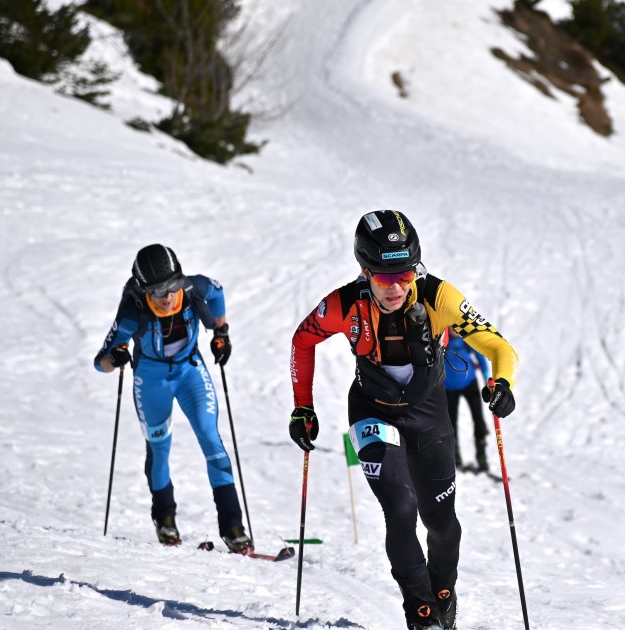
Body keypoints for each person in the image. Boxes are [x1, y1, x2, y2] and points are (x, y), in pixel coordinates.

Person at [288, 210, 518, 629]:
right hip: (371, 410)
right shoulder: (343, 303)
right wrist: (303, 405)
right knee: (400, 507)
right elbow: (303, 339)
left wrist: (502, 383)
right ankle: (421, 611)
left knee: (442, 524)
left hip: (428, 416)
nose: (395, 287)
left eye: (404, 275)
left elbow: (500, 347)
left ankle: (442, 592)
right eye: (383, 277)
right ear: (364, 271)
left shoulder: (439, 296)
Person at [93, 244, 252, 554]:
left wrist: (221, 333)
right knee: (160, 447)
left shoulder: (194, 287)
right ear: (144, 290)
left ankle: (233, 526)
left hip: (189, 371)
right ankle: (164, 517)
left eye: (173, 285)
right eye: (158, 290)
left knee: (210, 437)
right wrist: (116, 357)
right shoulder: (132, 310)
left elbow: (217, 293)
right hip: (151, 380)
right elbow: (99, 363)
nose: (168, 296)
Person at [444, 328, 491, 472]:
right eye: (452, 326)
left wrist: (488, 380)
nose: (455, 329)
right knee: (451, 423)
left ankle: (481, 454)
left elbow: (481, 359)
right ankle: (455, 456)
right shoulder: (442, 340)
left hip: (470, 384)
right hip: (448, 388)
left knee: (479, 419)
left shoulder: (467, 339)